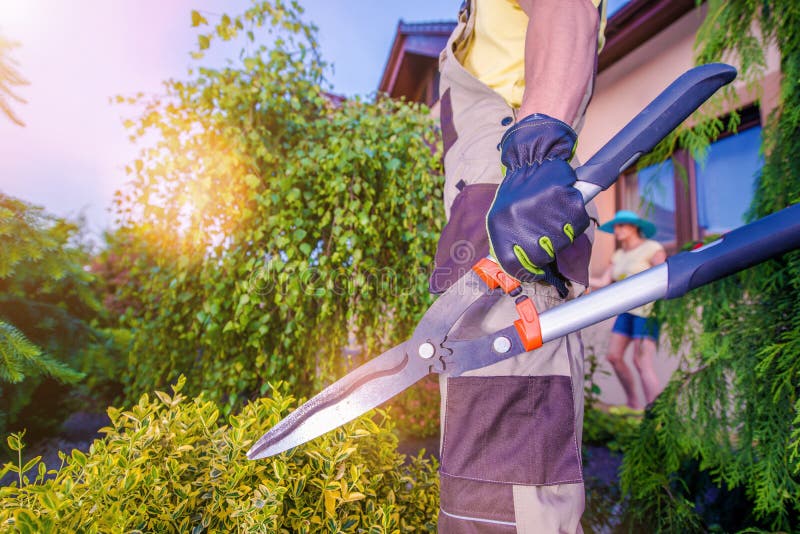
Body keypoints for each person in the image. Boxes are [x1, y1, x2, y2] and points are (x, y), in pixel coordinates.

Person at [429, 1, 607, 531]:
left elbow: (566, 9)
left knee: (506, 496)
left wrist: (535, 157)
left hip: (512, 213)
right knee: (473, 488)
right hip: (482, 222)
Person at [590, 210, 666, 410]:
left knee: (641, 361)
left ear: (634, 227)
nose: (617, 230)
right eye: (615, 226)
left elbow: (664, 276)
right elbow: (604, 281)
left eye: (621, 225)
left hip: (647, 312)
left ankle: (656, 413)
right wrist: (577, 278)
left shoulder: (652, 248)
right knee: (614, 357)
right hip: (626, 310)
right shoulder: (618, 255)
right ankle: (633, 403)